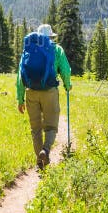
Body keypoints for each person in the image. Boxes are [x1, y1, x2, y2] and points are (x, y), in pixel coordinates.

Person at [16, 24, 71, 169]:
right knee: (51, 125)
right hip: (49, 92)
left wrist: (20, 99)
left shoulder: (28, 50)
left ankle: (40, 161)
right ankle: (45, 150)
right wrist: (67, 85)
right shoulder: (57, 49)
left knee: (35, 128)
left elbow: (20, 76)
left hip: (31, 92)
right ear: (51, 37)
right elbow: (65, 70)